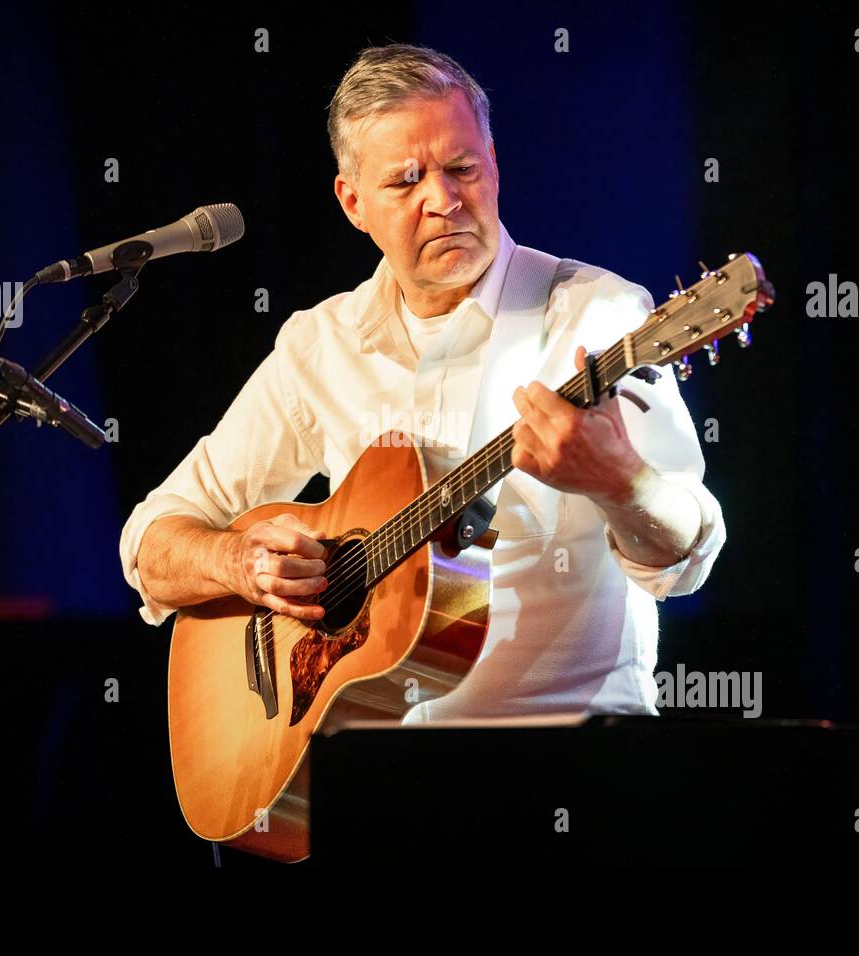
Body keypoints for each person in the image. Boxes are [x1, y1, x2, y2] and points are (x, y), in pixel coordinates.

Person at [119, 43, 725, 723]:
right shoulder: (320, 345)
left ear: (493, 164)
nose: (443, 200)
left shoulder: (597, 317)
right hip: (374, 777)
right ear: (353, 202)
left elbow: (685, 562)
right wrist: (239, 562)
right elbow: (150, 540)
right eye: (406, 181)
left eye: (463, 167)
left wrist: (622, 483)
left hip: (570, 759)